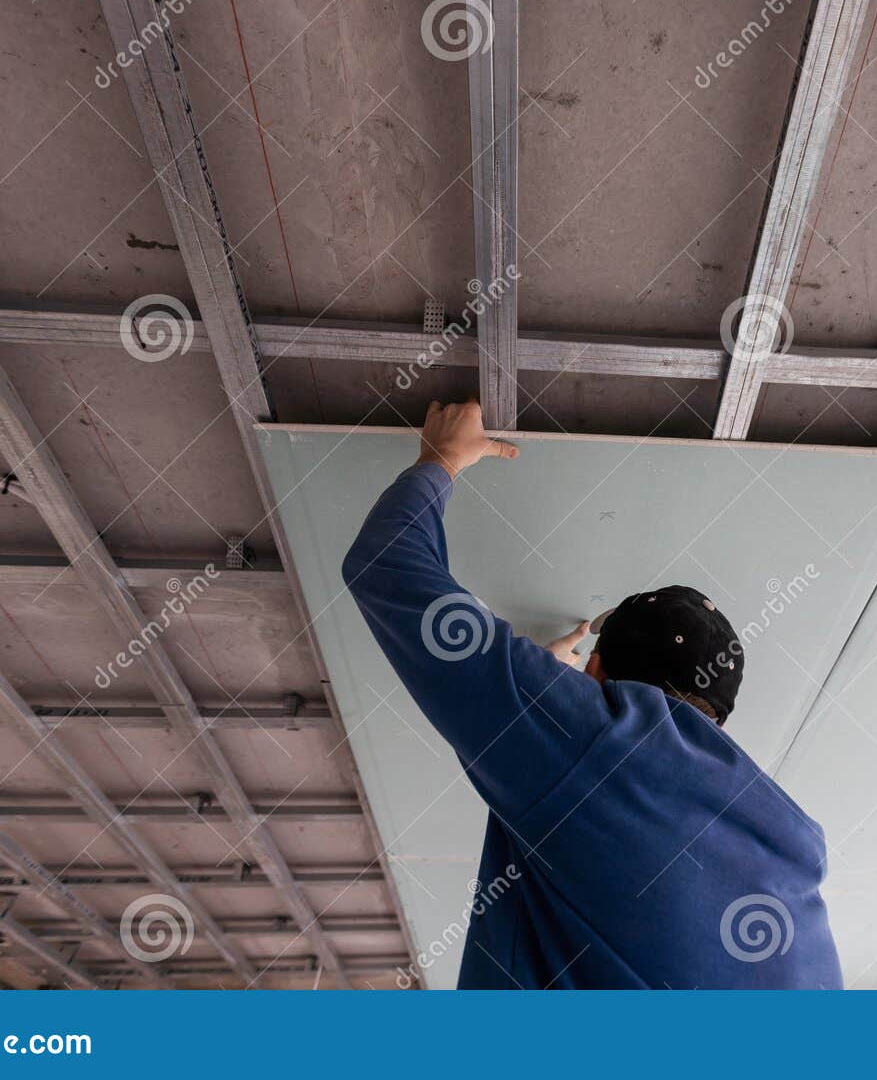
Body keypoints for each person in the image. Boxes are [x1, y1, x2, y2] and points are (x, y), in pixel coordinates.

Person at [341, 400, 841, 989]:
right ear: (719, 724)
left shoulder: (596, 746)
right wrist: (552, 706)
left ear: (595, 671)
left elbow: (386, 561)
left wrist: (441, 459)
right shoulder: (787, 851)